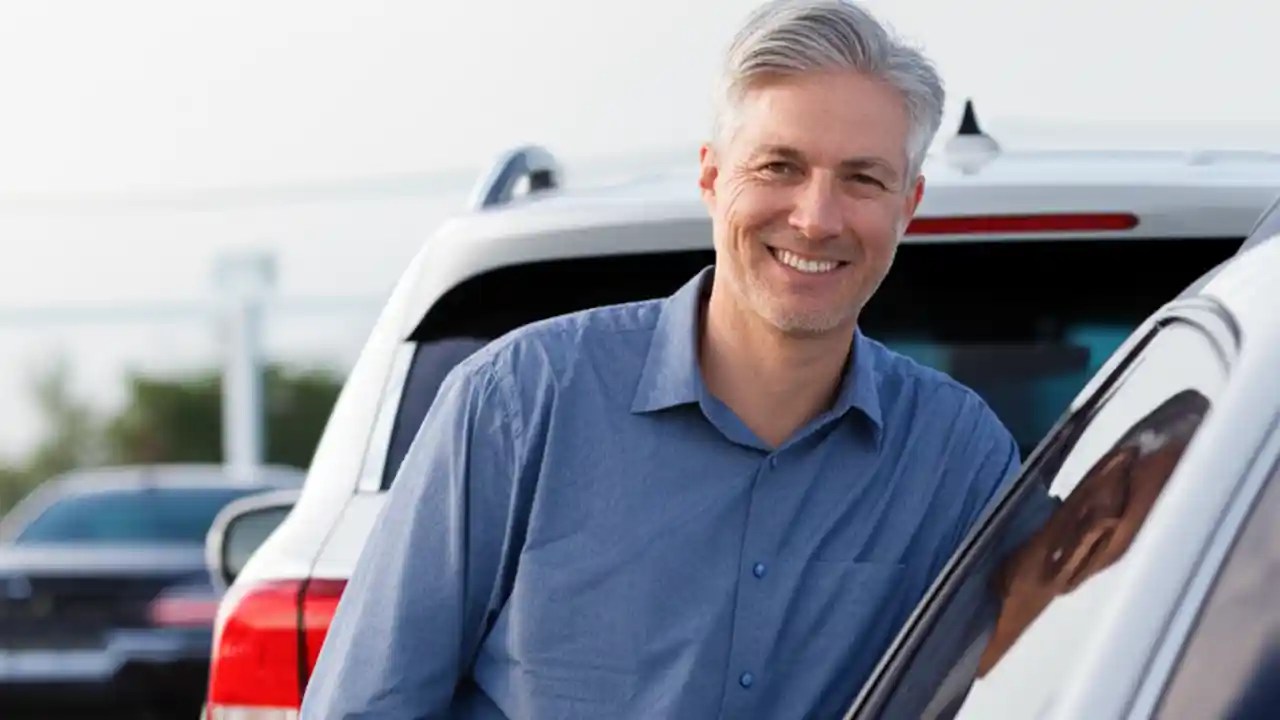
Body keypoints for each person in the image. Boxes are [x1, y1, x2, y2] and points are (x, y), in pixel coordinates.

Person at [300, 1, 1021, 718]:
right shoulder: (518, 403)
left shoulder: (959, 460)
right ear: (711, 179)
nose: (816, 217)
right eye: (779, 166)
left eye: (863, 178)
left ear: (909, 204)